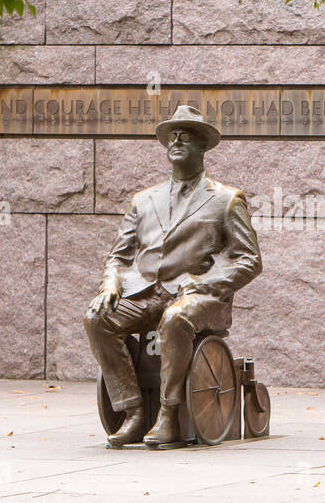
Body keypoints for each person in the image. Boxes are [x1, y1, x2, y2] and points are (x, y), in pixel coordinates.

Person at [85, 105, 263, 449]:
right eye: (172, 136)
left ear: (202, 146)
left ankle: (168, 414)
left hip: (196, 296)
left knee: (176, 317)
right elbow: (118, 257)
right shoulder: (143, 200)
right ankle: (133, 412)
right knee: (96, 318)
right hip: (144, 293)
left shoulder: (226, 200)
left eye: (186, 135)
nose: (177, 141)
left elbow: (250, 260)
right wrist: (110, 285)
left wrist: (207, 283)